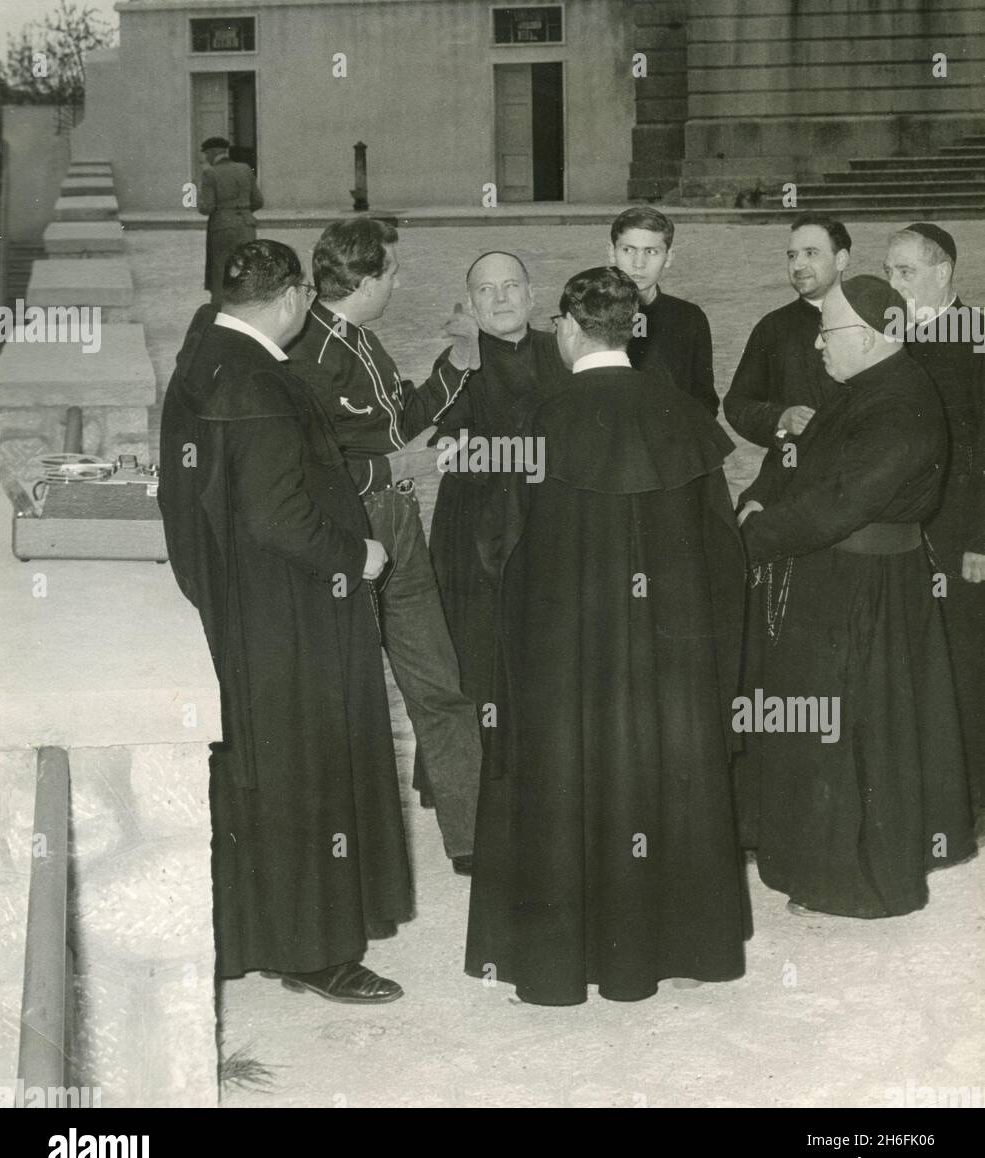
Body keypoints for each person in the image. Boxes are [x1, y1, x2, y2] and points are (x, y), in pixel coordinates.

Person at [465, 267, 749, 1005]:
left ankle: (564, 959)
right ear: (632, 329)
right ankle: (673, 947)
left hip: (565, 663)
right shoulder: (683, 416)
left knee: (567, 785)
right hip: (669, 666)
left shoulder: (540, 419)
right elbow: (724, 554)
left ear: (566, 327)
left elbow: (498, 548)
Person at [158, 240, 411, 1004]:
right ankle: (314, 952)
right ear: (296, 296)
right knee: (310, 773)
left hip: (237, 601)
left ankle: (259, 935)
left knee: (260, 775)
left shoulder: (206, 351)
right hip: (290, 609)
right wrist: (355, 554)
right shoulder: (260, 378)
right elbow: (277, 517)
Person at [736, 274, 976, 918]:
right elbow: (804, 461)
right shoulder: (867, 384)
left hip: (861, 589)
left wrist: (754, 534)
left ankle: (860, 883)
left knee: (850, 734)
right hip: (841, 579)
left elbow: (841, 502)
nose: (817, 344)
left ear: (872, 339)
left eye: (829, 331)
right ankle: (819, 867)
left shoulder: (899, 404)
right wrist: (762, 495)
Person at [288, 218, 483, 873]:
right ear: (364, 281)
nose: (399, 281)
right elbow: (310, 469)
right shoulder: (303, 355)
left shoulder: (363, 340)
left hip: (397, 527)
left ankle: (473, 839)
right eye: (391, 272)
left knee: (439, 685)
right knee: (346, 701)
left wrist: (458, 360)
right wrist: (400, 470)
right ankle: (342, 859)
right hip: (347, 538)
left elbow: (397, 424)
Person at [428, 251, 569, 712]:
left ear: (531, 296)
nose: (501, 297)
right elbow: (450, 449)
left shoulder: (562, 352)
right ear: (470, 304)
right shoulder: (458, 363)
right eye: (486, 290)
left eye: (511, 286)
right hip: (475, 534)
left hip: (552, 527)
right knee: (481, 667)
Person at [883, 223, 985, 815]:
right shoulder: (893, 335)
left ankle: (970, 801)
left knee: (964, 660)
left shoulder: (975, 337)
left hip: (960, 531)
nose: (894, 284)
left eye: (906, 272)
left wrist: (980, 537)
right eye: (890, 271)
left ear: (942, 273)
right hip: (904, 527)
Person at [724, 215, 850, 503]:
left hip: (855, 477)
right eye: (792, 255)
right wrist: (780, 418)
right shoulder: (773, 327)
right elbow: (737, 403)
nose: (798, 265)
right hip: (790, 475)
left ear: (841, 259)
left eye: (811, 253)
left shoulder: (871, 319)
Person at [609, 206, 718, 415]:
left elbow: (704, 399)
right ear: (611, 253)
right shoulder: (587, 314)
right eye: (628, 250)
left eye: (651, 252)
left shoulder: (689, 317)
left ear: (668, 258)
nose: (638, 264)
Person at [198, 136, 263, 308]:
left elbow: (207, 207)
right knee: (247, 267)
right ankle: (249, 307)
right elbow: (258, 201)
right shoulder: (245, 169)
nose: (206, 159)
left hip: (222, 227)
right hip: (247, 225)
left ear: (213, 153)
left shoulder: (209, 173)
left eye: (206, 155)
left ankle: (220, 311)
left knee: (220, 271)